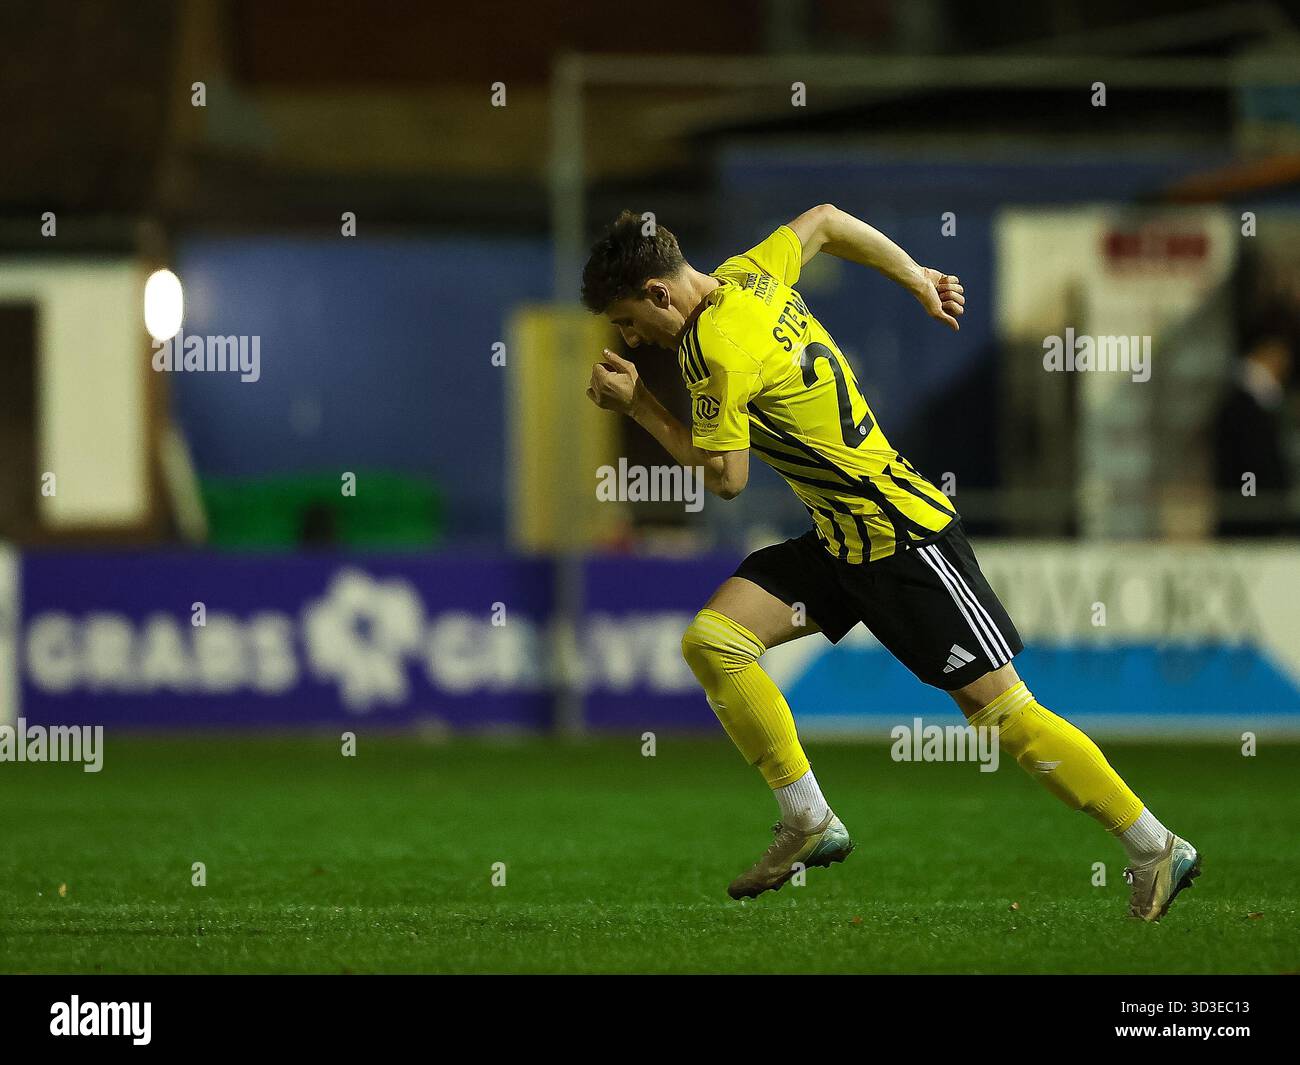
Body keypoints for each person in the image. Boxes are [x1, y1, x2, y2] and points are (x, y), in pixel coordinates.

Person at [581, 206, 1200, 920]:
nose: (632, 338)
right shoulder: (748, 276)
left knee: (1006, 714)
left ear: (658, 294)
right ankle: (809, 819)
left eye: (629, 321)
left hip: (903, 538)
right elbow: (823, 221)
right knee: (716, 641)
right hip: (841, 542)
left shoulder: (717, 347)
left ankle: (1155, 845)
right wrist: (918, 277)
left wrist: (642, 408)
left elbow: (725, 478)